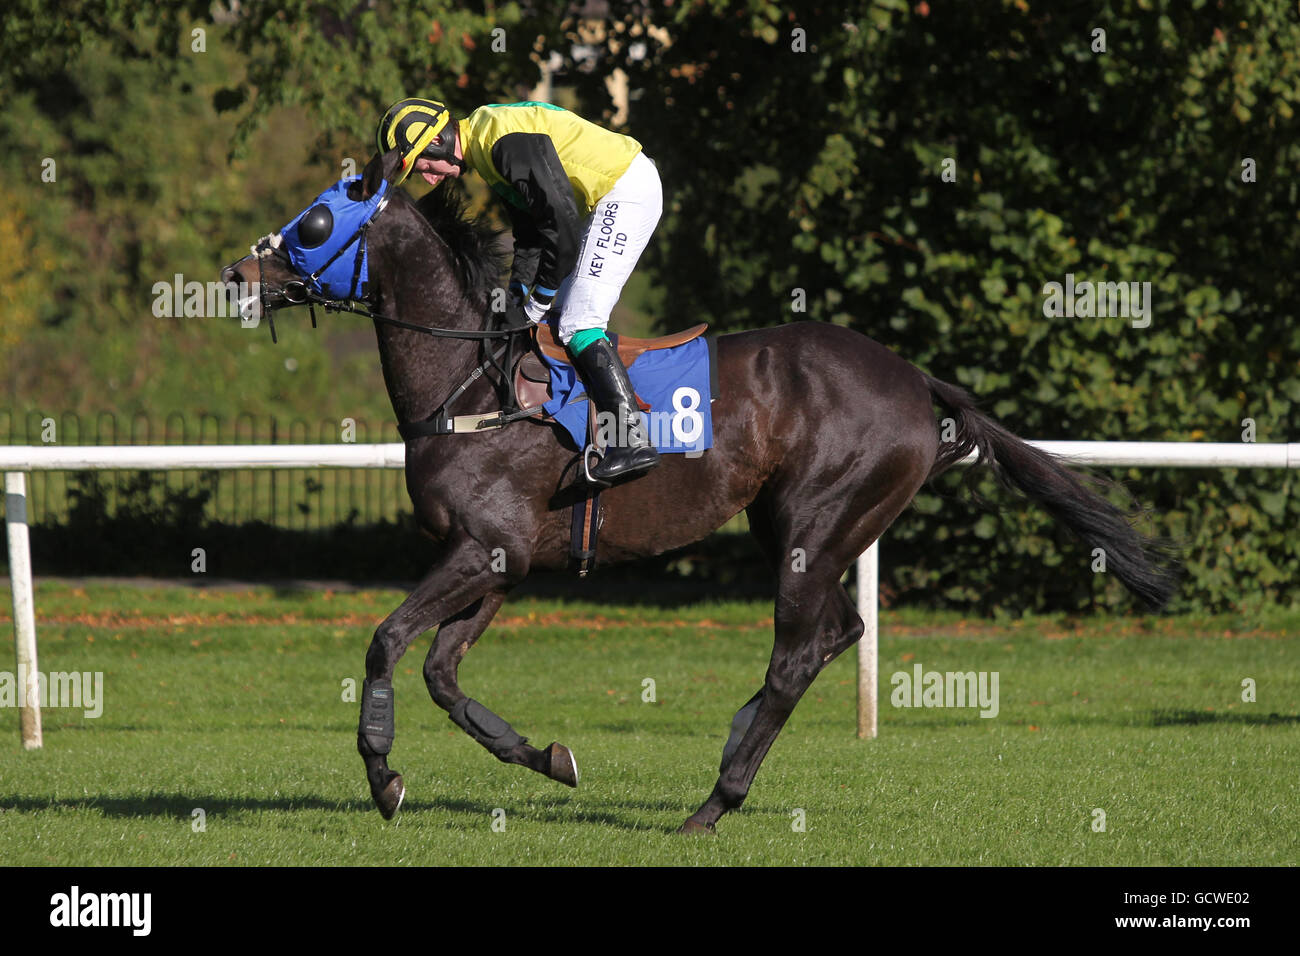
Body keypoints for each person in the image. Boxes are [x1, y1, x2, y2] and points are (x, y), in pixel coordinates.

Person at [376, 97, 661, 484]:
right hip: (608, 195)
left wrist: (537, 301)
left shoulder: (501, 143)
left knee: (578, 323)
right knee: (557, 322)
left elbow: (561, 226)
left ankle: (632, 440)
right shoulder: (486, 145)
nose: (428, 178)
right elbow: (531, 235)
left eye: (423, 165)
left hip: (623, 192)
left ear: (438, 141)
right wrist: (517, 294)